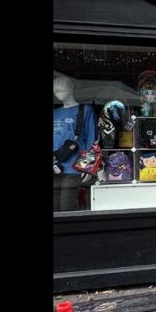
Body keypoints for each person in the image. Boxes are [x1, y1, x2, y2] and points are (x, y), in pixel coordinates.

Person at [53, 74, 96, 211]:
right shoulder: (55, 112)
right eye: (55, 90)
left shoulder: (85, 110)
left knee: (66, 208)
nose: (57, 92)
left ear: (71, 88)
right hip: (54, 165)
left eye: (61, 89)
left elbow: (92, 139)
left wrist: (87, 167)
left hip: (73, 168)